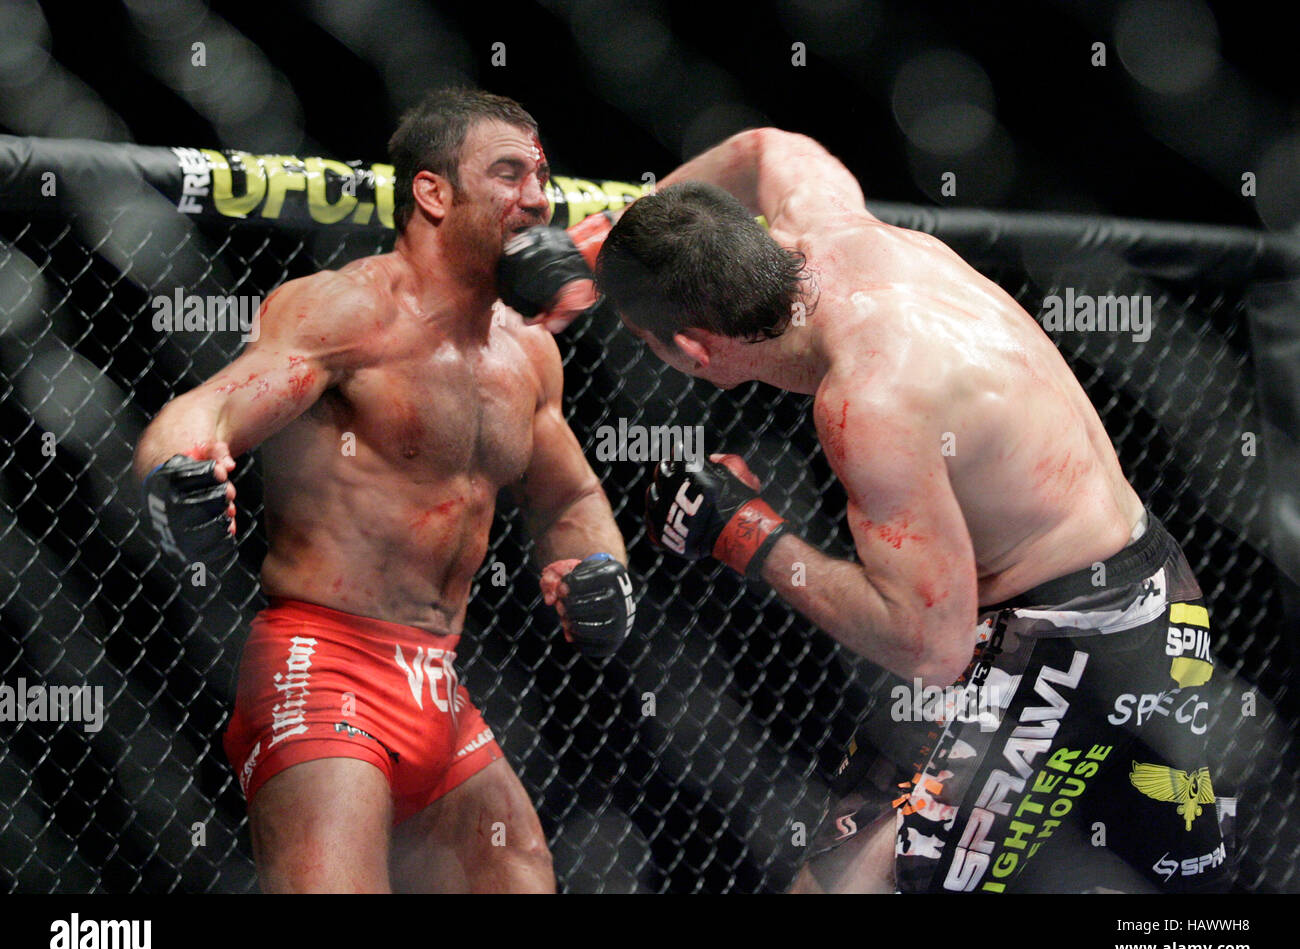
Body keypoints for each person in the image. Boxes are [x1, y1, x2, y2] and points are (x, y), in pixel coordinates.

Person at [593, 127, 1231, 893]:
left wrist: (746, 532)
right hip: (1119, 585)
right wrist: (601, 239)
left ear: (693, 351)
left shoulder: (869, 401)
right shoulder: (830, 227)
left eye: (646, 343)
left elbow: (929, 644)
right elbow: (769, 147)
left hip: (1073, 630)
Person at [134, 88, 634, 893]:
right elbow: (215, 403)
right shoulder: (347, 311)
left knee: (520, 874)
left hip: (437, 679)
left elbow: (567, 499)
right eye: (508, 173)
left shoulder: (529, 355)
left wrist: (600, 569)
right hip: (323, 659)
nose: (537, 198)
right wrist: (181, 468)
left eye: (539, 176)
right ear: (433, 192)